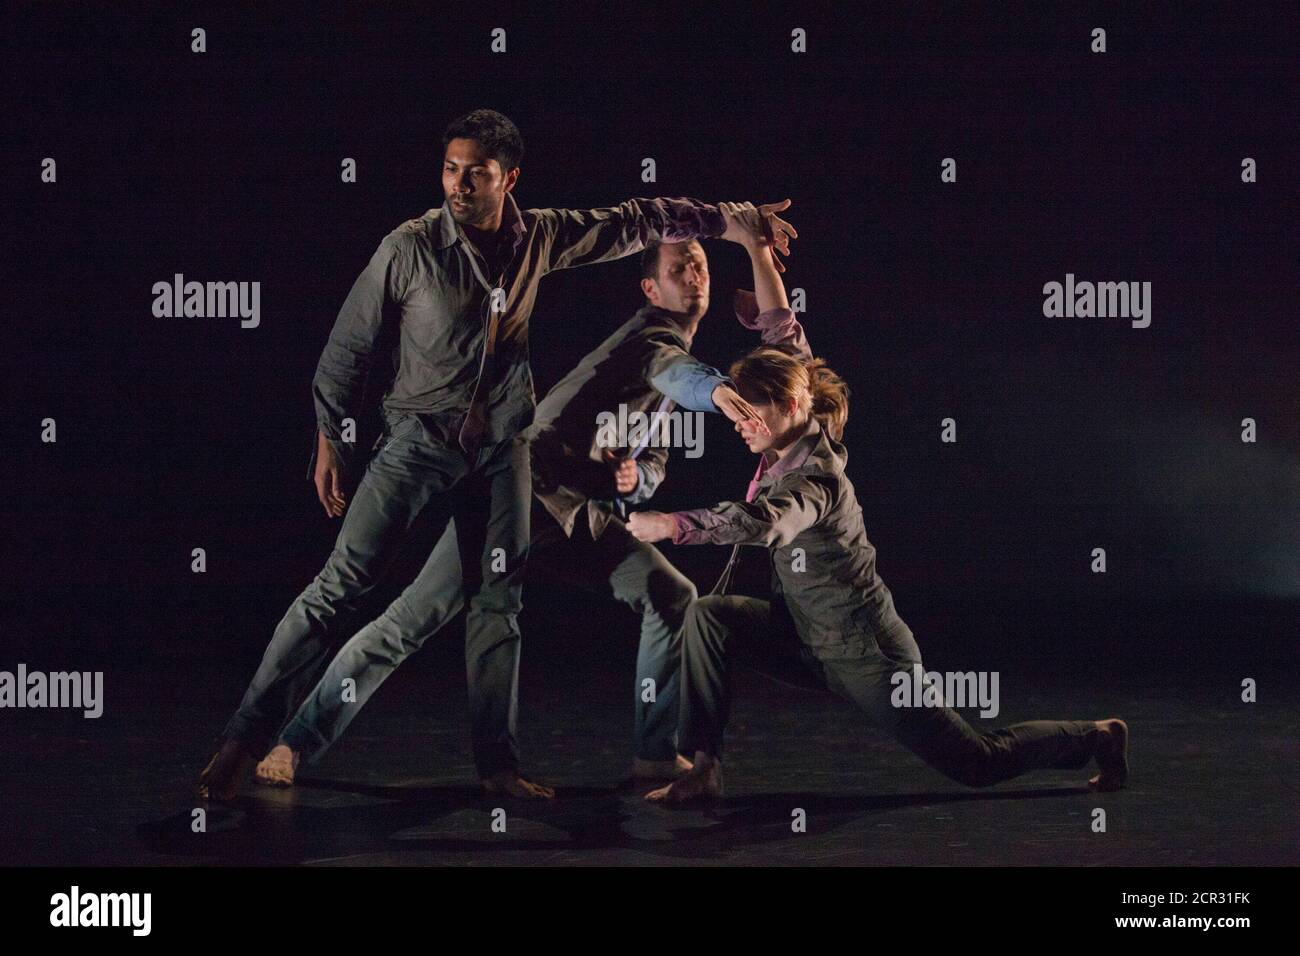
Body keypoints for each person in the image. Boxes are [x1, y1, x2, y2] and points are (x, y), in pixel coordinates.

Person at [197, 106, 797, 802]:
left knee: (579, 601)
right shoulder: (416, 249)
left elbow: (635, 218)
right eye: (451, 170)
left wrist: (731, 219)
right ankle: (268, 740)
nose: (458, 186)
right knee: (376, 605)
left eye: (475, 174)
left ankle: (553, 766)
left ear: (508, 179)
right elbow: (350, 345)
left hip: (523, 473)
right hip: (438, 450)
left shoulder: (539, 240)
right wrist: (331, 434)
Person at [626, 249, 1129, 804]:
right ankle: (704, 768)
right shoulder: (793, 411)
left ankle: (1098, 737)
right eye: (736, 411)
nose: (740, 424)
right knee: (708, 617)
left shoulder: (815, 479)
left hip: (864, 653)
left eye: (749, 412)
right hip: (802, 635)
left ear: (791, 405)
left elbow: (766, 523)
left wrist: (674, 524)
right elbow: (784, 333)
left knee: (977, 762)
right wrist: (755, 247)